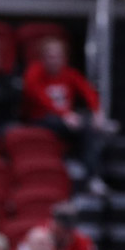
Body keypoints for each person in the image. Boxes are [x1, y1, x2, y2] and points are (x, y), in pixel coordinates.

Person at [20, 37, 108, 174]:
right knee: (78, 124)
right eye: (50, 56)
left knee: (91, 127)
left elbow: (88, 91)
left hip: (67, 119)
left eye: (58, 56)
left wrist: (97, 111)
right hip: (40, 118)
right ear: (43, 58)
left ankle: (90, 175)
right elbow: (40, 98)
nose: (54, 60)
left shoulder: (70, 74)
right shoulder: (34, 73)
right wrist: (64, 115)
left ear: (64, 58)